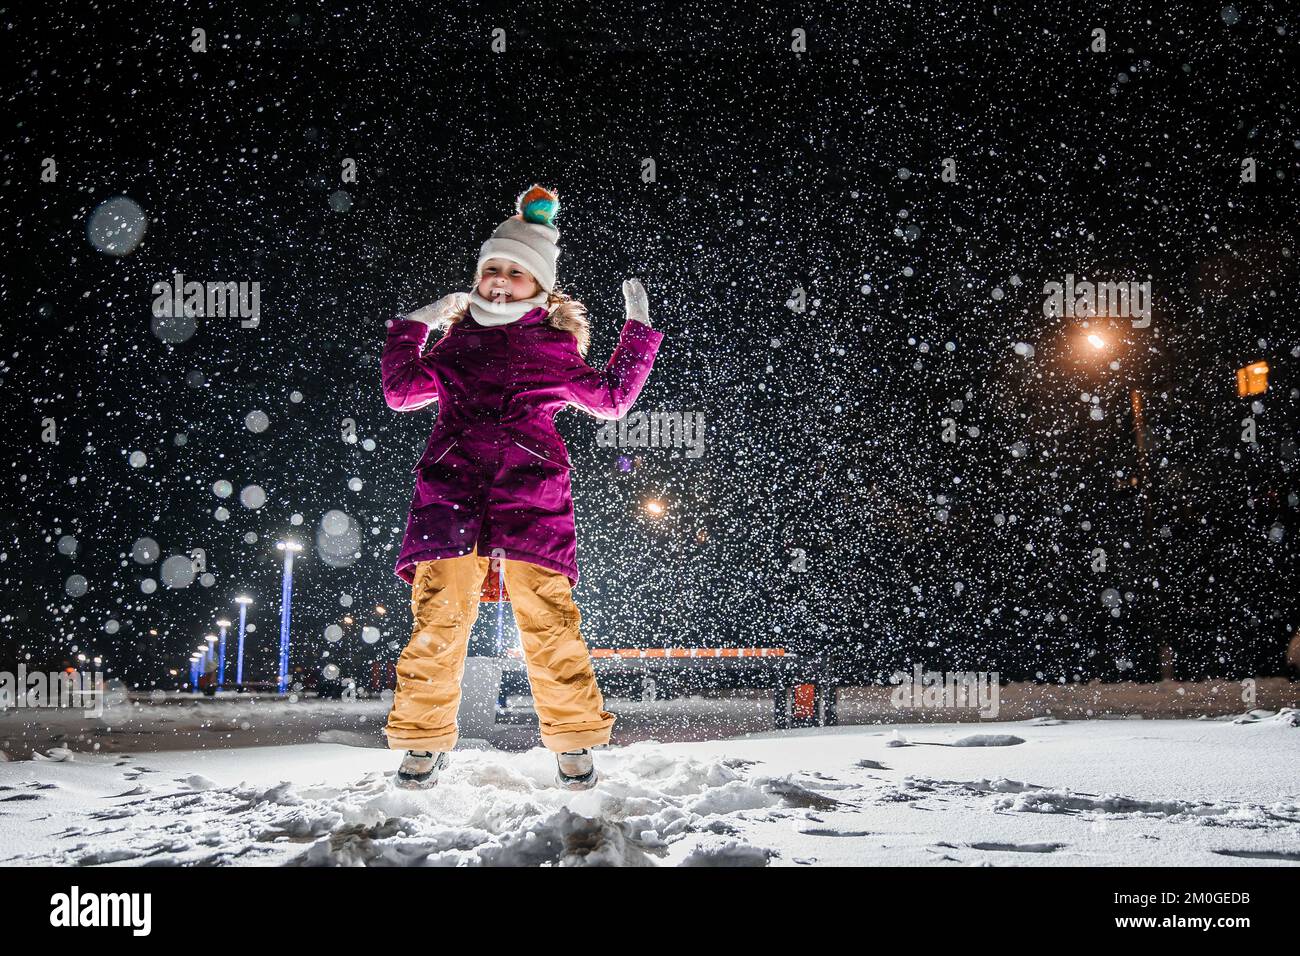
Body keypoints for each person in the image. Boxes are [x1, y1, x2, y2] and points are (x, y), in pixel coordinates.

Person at [380, 183, 665, 790]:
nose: (501, 281)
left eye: (516, 272)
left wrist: (637, 333)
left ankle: (574, 742)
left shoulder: (555, 348)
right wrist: (412, 327)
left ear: (540, 284)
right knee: (437, 625)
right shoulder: (455, 347)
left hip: (532, 503)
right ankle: (422, 743)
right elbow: (400, 393)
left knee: (550, 627)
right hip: (449, 500)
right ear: (479, 277)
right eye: (492, 270)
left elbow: (612, 401)